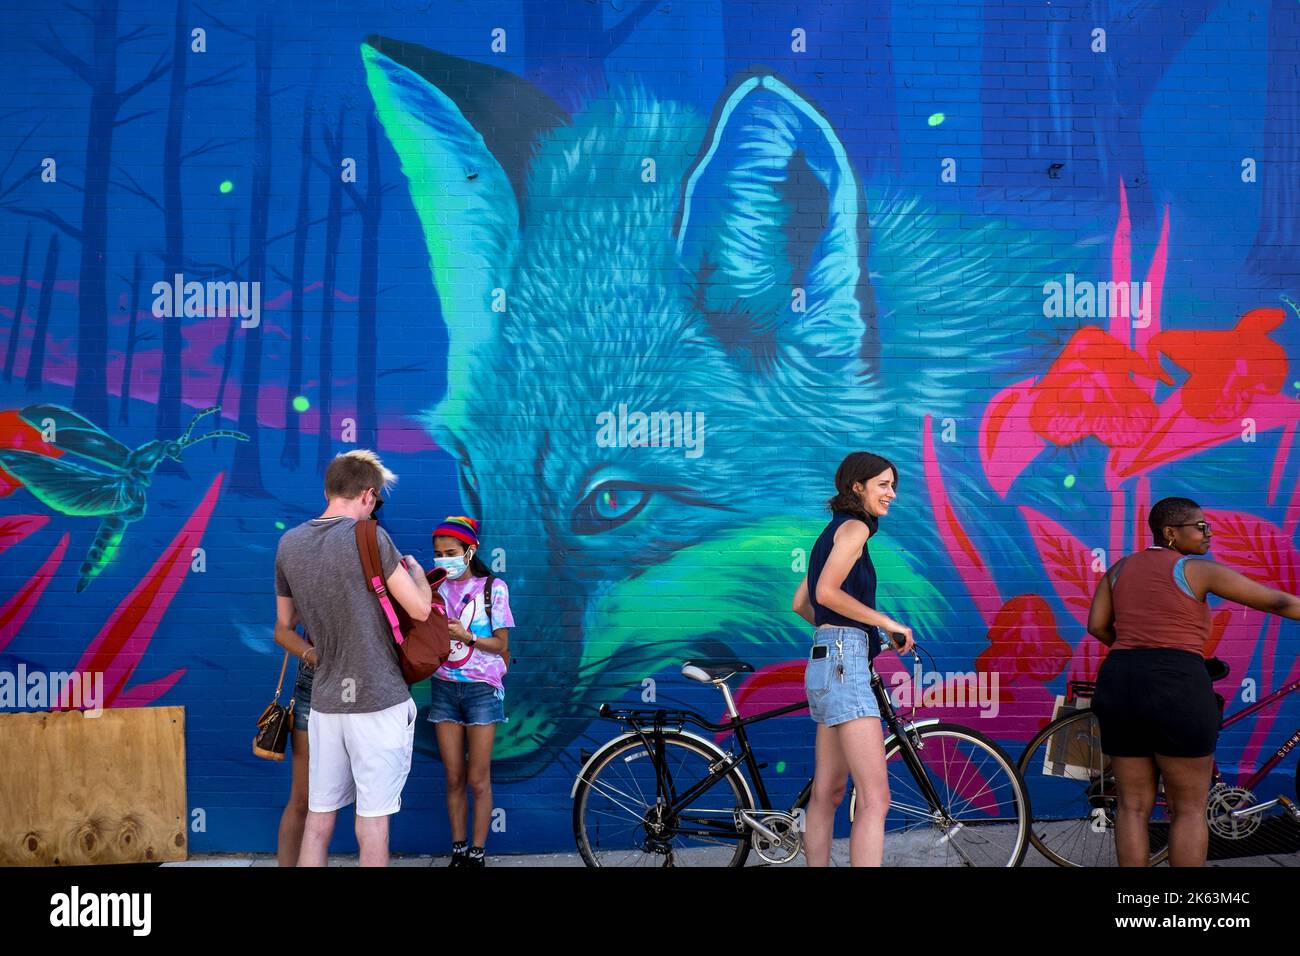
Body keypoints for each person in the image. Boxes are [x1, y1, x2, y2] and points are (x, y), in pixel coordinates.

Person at [1087, 496, 1300, 866]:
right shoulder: (1196, 570)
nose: (1208, 534)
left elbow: (1097, 626)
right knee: (1188, 809)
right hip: (1178, 684)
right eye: (1200, 527)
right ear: (1170, 533)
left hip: (1120, 681)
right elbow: (1278, 603)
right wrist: (1164, 656)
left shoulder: (1118, 570)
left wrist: (1137, 651)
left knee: (1132, 807)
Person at [273, 449, 433, 867]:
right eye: (376, 501)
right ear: (367, 494)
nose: (374, 508)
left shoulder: (289, 544)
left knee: (319, 818)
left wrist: (313, 652)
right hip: (377, 698)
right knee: (373, 822)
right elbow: (418, 609)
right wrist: (418, 573)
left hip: (325, 702)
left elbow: (284, 624)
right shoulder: (370, 537)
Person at [791, 452, 914, 867]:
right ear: (857, 487)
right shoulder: (856, 527)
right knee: (876, 798)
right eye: (884, 485)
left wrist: (838, 629)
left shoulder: (832, 532)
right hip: (845, 660)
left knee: (827, 793)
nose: (892, 494)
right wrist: (882, 623)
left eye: (893, 485)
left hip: (827, 660)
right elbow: (825, 593)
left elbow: (801, 603)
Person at [426, 516, 514, 867]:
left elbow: (501, 644)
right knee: (453, 777)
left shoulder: (494, 588)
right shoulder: (434, 590)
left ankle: (477, 853)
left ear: (469, 551)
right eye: (438, 554)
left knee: (478, 778)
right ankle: (458, 849)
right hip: (444, 687)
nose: (443, 560)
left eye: (450, 553)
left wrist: (469, 637)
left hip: (481, 689)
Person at [273, 615, 316, 867]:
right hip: (314, 683)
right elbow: (282, 630)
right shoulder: (308, 574)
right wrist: (313, 655)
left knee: (368, 806)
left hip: (363, 686)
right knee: (302, 798)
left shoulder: (377, 574)